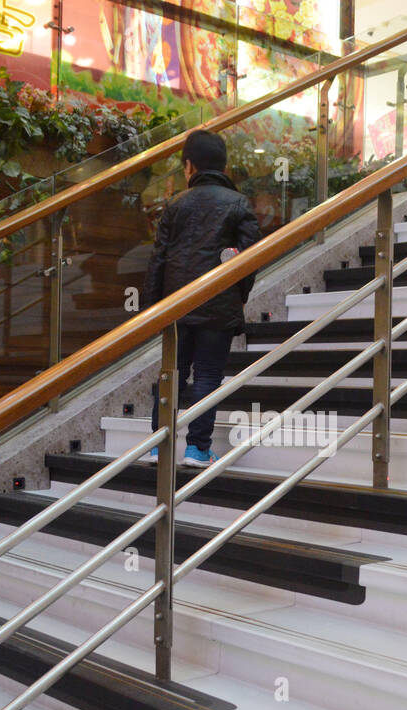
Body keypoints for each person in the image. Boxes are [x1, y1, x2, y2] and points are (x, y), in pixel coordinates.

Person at [144, 129, 261, 467]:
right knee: (208, 375)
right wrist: (239, 295)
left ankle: (158, 446)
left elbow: (158, 260)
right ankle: (197, 449)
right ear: (224, 167)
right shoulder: (239, 204)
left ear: (189, 166)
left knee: (171, 374)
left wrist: (153, 309)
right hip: (219, 304)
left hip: (177, 305)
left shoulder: (175, 205)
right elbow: (249, 259)